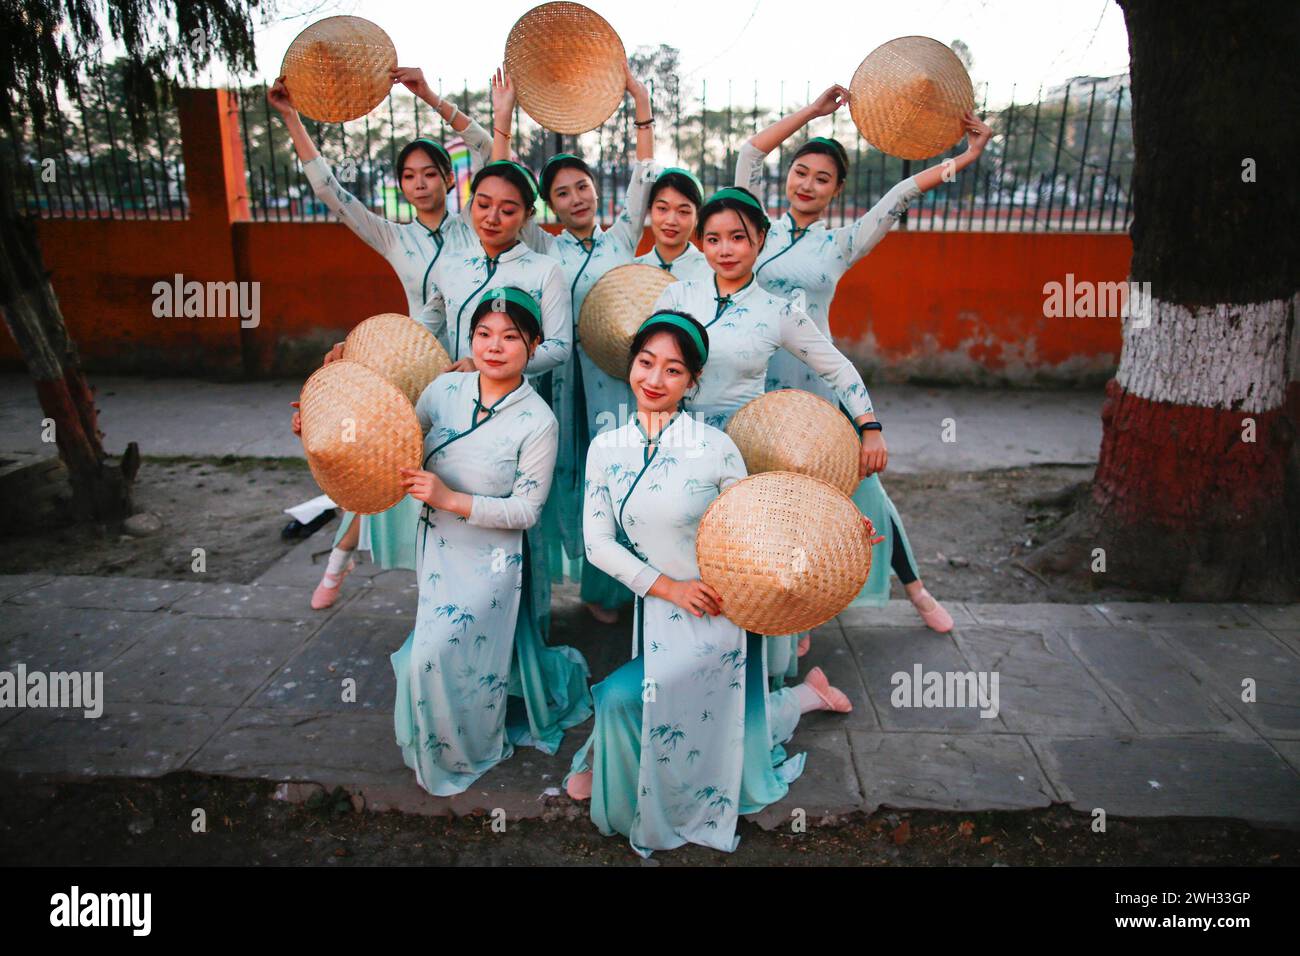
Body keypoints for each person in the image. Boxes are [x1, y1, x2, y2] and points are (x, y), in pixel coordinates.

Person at [563, 310, 862, 856]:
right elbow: (598, 544)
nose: (655, 379)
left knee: (638, 701)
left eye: (673, 370)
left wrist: (838, 532)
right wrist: (666, 588)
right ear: (630, 367)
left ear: (692, 382)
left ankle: (795, 702)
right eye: (646, 363)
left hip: (718, 609)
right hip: (661, 603)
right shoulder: (605, 449)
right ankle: (803, 696)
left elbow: (762, 524)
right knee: (648, 705)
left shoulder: (716, 447)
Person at [735, 85, 991, 637]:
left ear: (837, 190)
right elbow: (749, 156)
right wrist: (811, 112)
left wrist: (965, 158)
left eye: (822, 178)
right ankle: (796, 614)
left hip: (820, 389)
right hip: (755, 392)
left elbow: (901, 192)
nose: (807, 184)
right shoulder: (753, 227)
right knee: (778, 502)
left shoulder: (842, 242)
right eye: (801, 171)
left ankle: (917, 590)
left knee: (865, 493)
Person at [270, 67, 491, 607]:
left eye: (430, 173)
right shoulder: (394, 237)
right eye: (409, 176)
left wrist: (428, 96)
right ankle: (338, 565)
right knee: (383, 472)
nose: (420, 183)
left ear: (447, 179)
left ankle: (458, 590)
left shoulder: (473, 224)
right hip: (412, 372)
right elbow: (331, 192)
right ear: (402, 186)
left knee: (460, 482)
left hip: (478, 366)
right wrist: (291, 117)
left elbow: (484, 147)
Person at [650, 185, 884, 685]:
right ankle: (684, 678)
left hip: (741, 456)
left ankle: (751, 682)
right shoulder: (677, 295)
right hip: (674, 447)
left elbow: (838, 370)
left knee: (744, 568)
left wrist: (869, 426)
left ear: (760, 239)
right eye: (713, 239)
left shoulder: (778, 311)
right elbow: (651, 370)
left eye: (738, 237)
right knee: (682, 561)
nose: (726, 249)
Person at [392, 288, 591, 795]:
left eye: (510, 337)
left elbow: (526, 511)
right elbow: (394, 438)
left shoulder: (538, 421)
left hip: (492, 561)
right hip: (438, 547)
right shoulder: (443, 390)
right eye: (483, 334)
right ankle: (435, 740)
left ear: (534, 346)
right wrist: (326, 427)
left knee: (437, 655)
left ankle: (473, 744)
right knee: (437, 655)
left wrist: (450, 497)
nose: (494, 347)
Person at [489, 64, 656, 625]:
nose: (575, 197)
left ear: (593, 189)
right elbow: (502, 184)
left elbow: (644, 177)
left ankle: (610, 590)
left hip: (614, 384)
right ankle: (552, 581)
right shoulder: (544, 247)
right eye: (561, 193)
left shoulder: (621, 240)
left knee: (616, 475)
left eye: (581, 186)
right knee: (566, 475)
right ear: (550, 207)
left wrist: (640, 104)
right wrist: (505, 122)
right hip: (560, 384)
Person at [631, 168, 712, 280]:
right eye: (662, 208)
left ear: (697, 217)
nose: (671, 221)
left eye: (683, 211)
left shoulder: (711, 271)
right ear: (650, 210)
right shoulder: (632, 271)